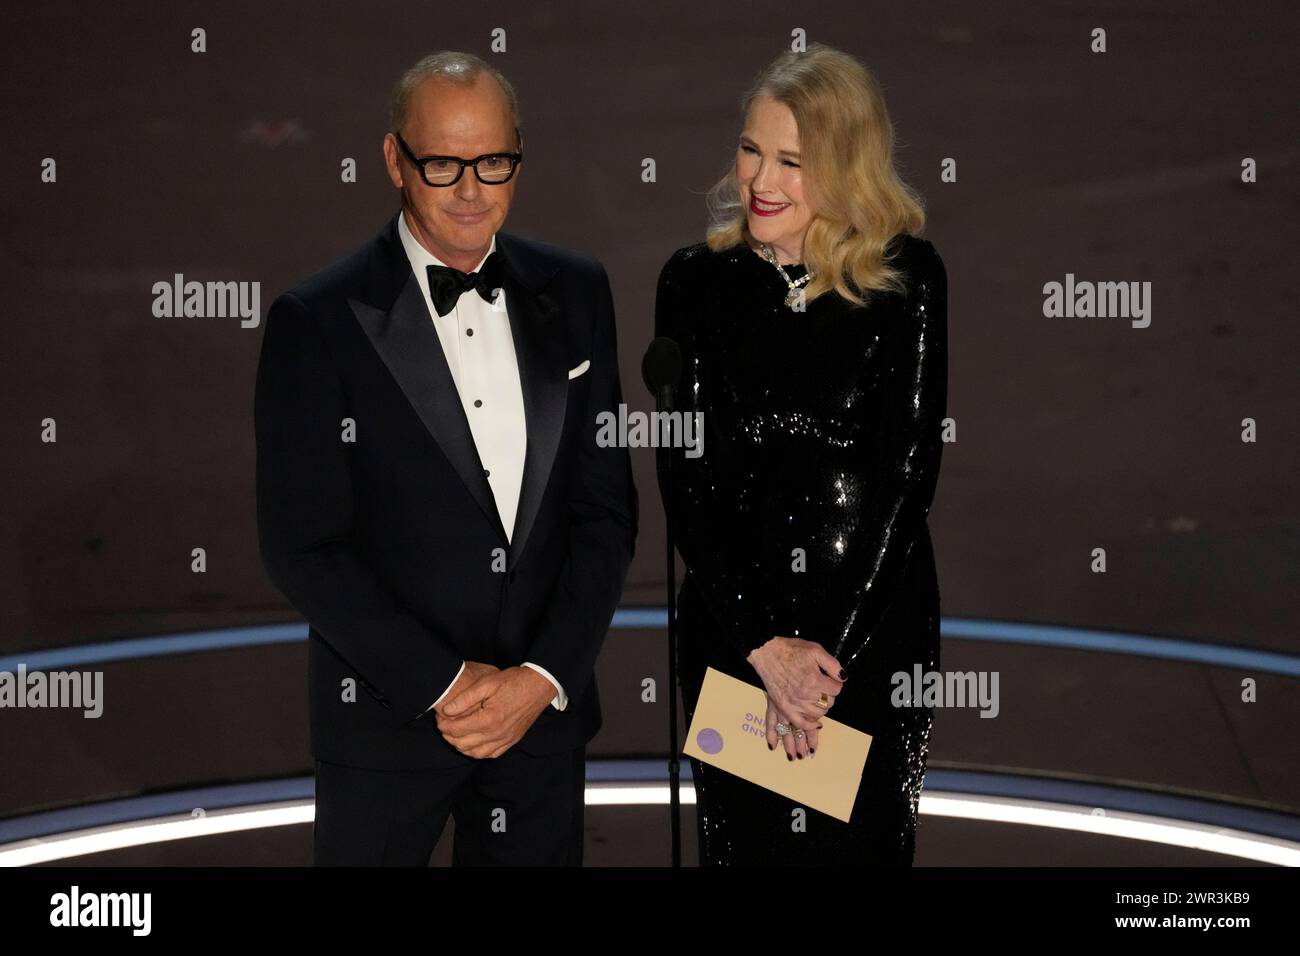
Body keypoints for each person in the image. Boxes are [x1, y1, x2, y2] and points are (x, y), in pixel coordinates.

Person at [255, 51, 637, 865]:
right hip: (387, 729)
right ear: (395, 160)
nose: (471, 189)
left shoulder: (577, 291)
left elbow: (605, 511)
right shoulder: (317, 322)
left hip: (540, 729)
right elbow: (302, 545)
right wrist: (448, 684)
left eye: (493, 162)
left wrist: (539, 678)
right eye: (442, 163)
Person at [656, 43, 947, 865]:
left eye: (793, 161)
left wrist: (822, 667)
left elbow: (908, 480)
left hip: (872, 642)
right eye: (752, 150)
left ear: (847, 167)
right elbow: (685, 478)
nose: (761, 181)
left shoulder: (906, 282)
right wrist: (763, 649)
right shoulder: (693, 283)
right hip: (734, 637)